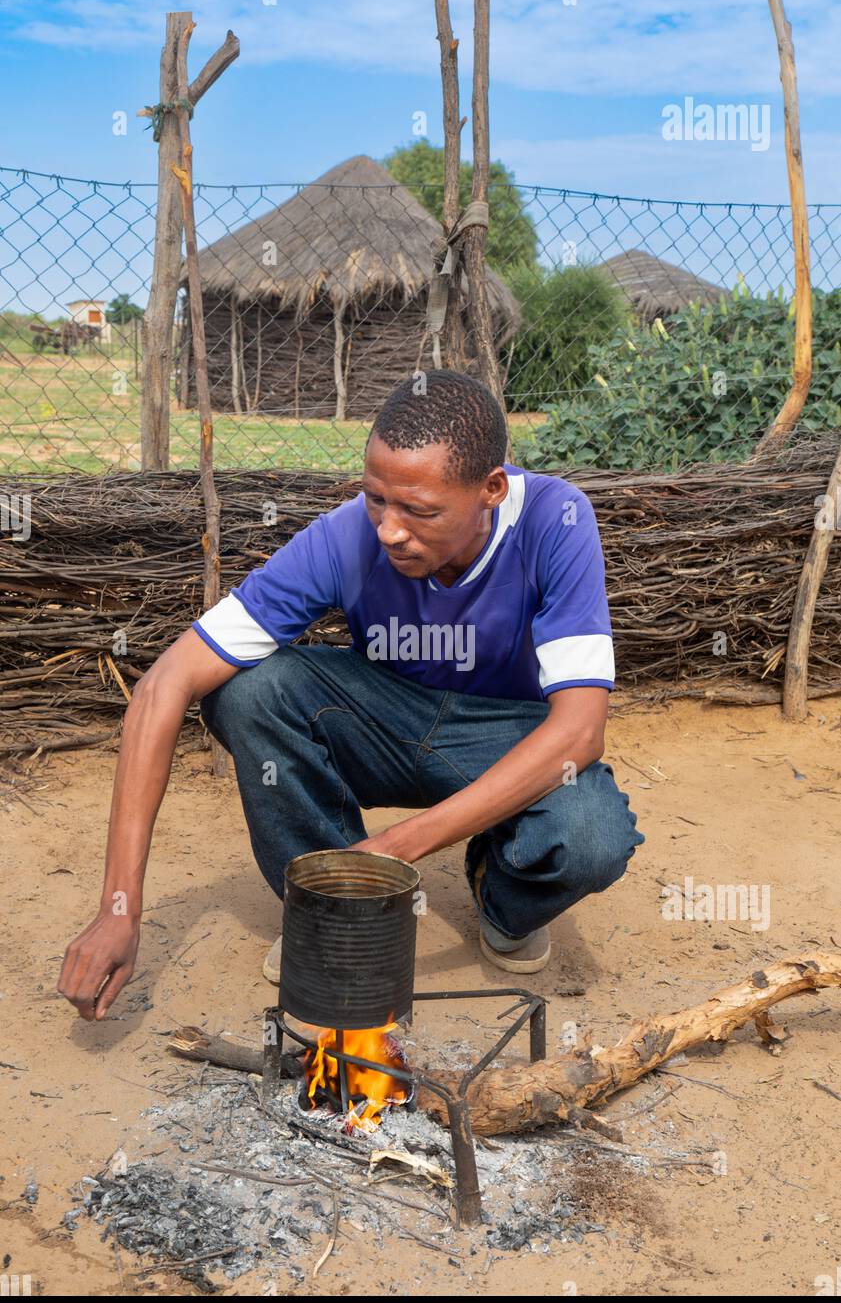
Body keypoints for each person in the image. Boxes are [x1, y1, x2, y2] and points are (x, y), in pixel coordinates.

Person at [59, 369, 644, 1021]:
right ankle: (331, 907)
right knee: (248, 690)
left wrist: (394, 848)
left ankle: (502, 894)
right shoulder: (346, 536)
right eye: (375, 499)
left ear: (490, 491)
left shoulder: (553, 521)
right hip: (383, 717)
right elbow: (166, 682)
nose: (389, 530)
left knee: (589, 835)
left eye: (419, 511)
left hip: (500, 732)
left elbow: (580, 732)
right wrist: (119, 907)